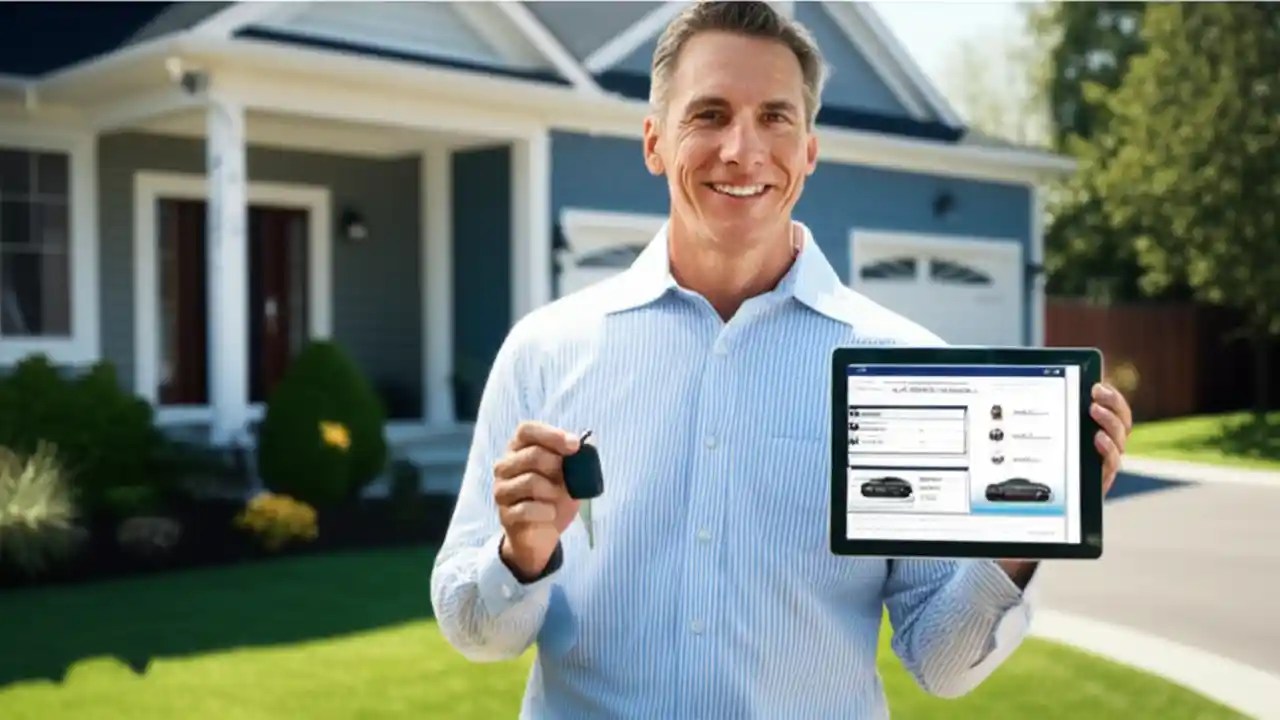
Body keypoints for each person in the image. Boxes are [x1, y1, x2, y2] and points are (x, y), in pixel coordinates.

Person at [430, 2, 1132, 717]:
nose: (743, 148)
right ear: (654, 142)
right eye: (708, 114)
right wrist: (523, 554)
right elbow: (475, 632)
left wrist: (1027, 530)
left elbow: (941, 662)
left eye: (775, 117)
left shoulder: (901, 365)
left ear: (808, 152)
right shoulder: (547, 350)